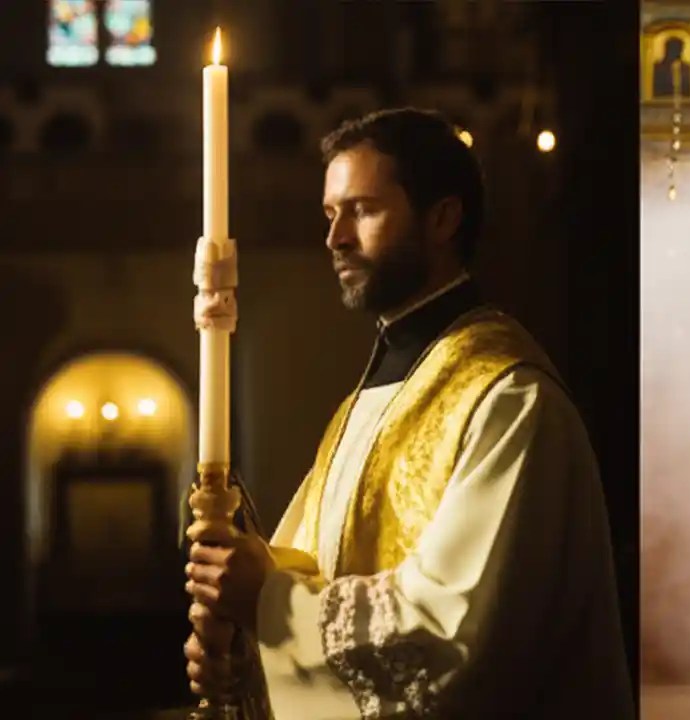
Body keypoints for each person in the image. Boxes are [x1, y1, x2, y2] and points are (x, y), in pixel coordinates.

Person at [181, 108, 635, 718]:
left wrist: (269, 605)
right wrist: (240, 642)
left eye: (363, 210)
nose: (336, 237)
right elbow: (308, 570)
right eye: (330, 213)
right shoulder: (366, 402)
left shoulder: (508, 399)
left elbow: (456, 630)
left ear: (443, 218)